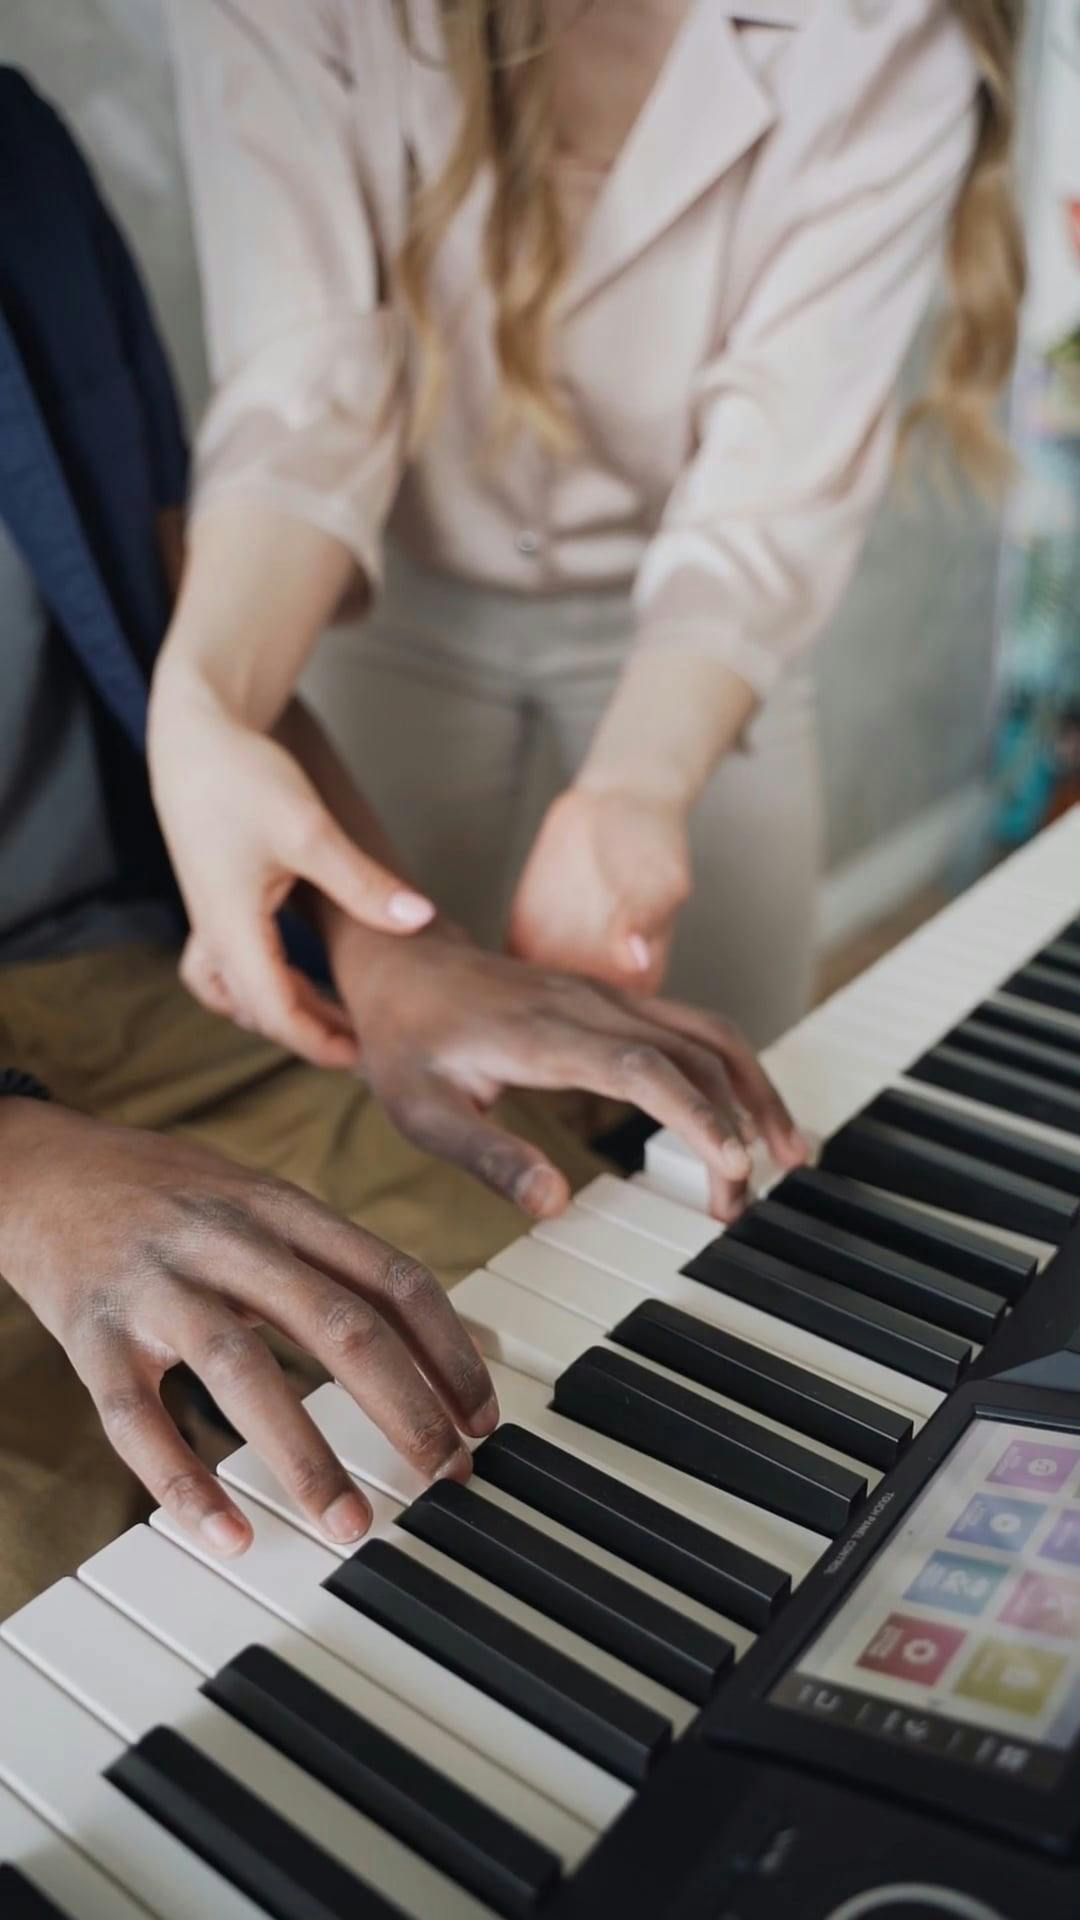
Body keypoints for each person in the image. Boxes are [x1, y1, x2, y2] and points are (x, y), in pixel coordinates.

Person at [0, 68, 797, 1619]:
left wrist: (387, 947)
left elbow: (188, 634)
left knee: (580, 1323)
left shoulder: (18, 155)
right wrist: (26, 1166)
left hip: (143, 977)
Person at [148, 0, 1023, 1062]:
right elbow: (305, 387)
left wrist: (637, 784)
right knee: (377, 1096)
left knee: (731, 1085)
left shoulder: (888, 25)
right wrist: (202, 710)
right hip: (387, 605)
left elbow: (778, 472)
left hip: (697, 647)